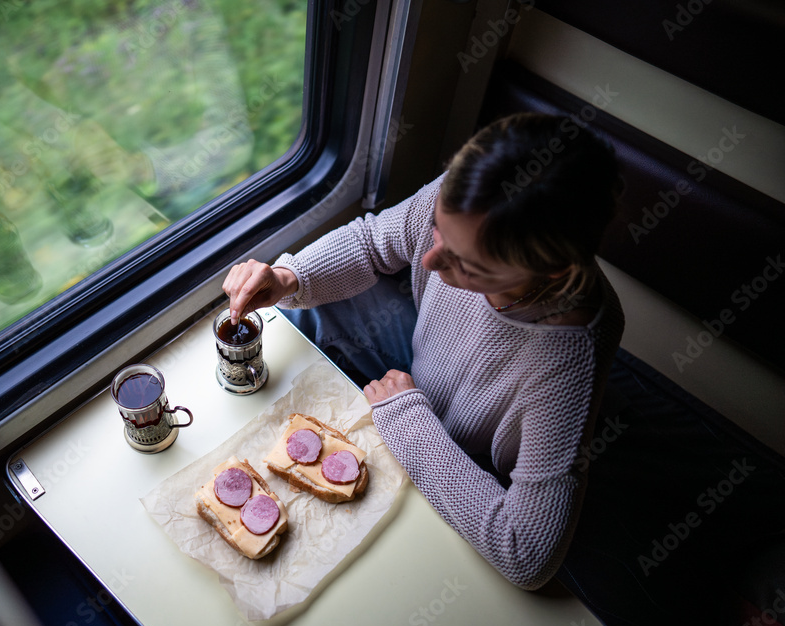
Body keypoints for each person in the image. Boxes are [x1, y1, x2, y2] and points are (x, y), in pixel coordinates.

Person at [221, 112, 624, 590]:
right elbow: (374, 243)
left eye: (466, 265)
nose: (430, 261)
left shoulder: (567, 361)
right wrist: (290, 278)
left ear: (551, 273)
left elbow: (527, 554)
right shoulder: (466, 195)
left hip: (467, 446)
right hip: (419, 365)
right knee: (294, 309)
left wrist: (408, 420)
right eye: (437, 229)